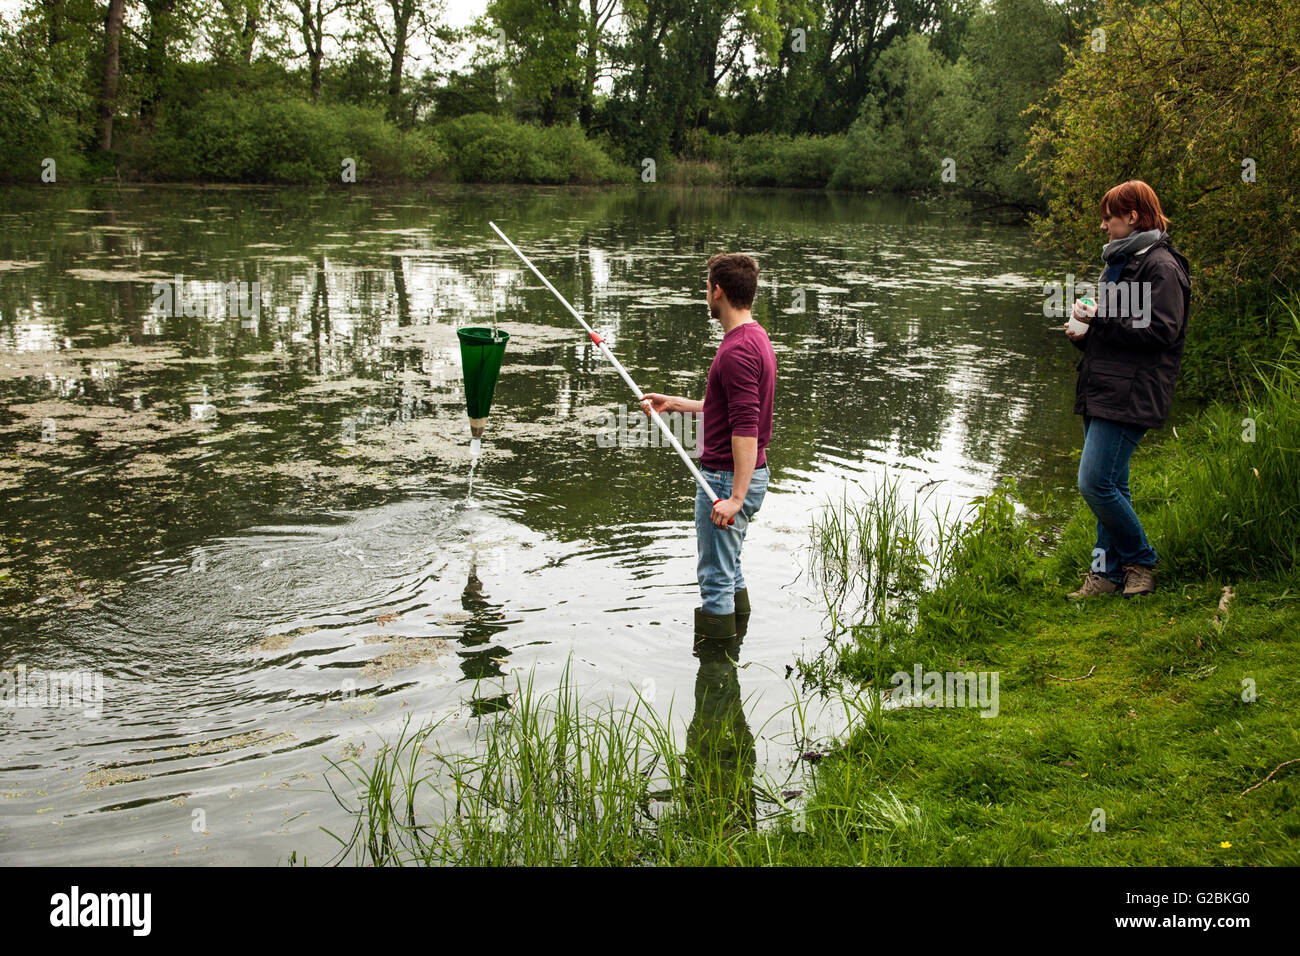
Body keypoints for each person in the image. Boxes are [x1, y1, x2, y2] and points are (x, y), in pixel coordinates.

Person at [1065, 180, 1191, 599]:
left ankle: (1142, 560)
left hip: (1132, 392)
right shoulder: (1120, 262)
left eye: (1109, 217)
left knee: (1094, 484)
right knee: (1113, 487)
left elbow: (1162, 331)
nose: (1103, 226)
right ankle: (1105, 574)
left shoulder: (1162, 266)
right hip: (1103, 386)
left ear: (1133, 216)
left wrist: (1100, 321)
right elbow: (1117, 329)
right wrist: (1084, 333)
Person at [641, 253, 776, 639]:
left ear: (717, 292)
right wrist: (676, 404)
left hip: (725, 479)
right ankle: (739, 639)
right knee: (729, 565)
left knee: (715, 578)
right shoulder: (756, 337)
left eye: (706, 287)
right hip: (744, 475)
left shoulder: (735, 352)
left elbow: (746, 428)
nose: (706, 294)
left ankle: (717, 676)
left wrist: (734, 497)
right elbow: (731, 408)